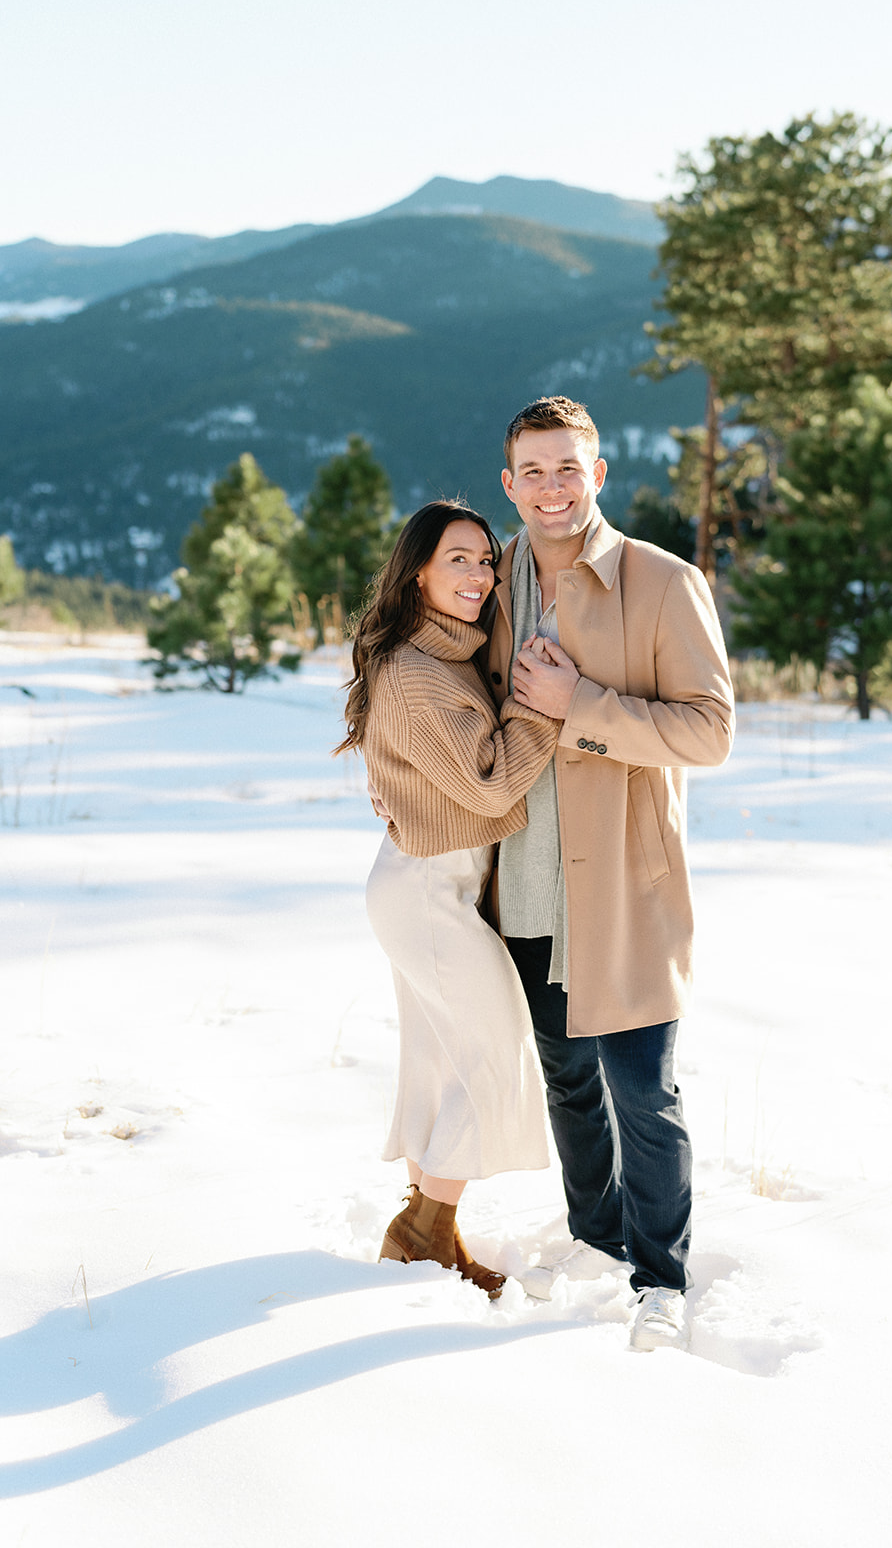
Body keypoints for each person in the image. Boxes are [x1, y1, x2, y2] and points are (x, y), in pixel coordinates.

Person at [484, 396, 735, 1350]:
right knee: (567, 1082)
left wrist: (580, 702)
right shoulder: (487, 579)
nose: (551, 489)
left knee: (644, 1090)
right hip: (524, 873)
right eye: (532, 472)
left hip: (624, 879)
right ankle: (595, 1236)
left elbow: (707, 731)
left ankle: (660, 1277)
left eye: (568, 469)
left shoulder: (664, 583)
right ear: (510, 484)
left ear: (599, 476)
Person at [335, 500, 567, 1295]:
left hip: (435, 887)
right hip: (426, 894)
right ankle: (422, 1231)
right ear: (418, 572)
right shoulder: (412, 670)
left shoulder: (446, 654)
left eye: (485, 560)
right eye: (457, 560)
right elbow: (493, 784)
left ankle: (432, 1232)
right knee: (494, 1055)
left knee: (441, 1064)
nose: (479, 575)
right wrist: (546, 706)